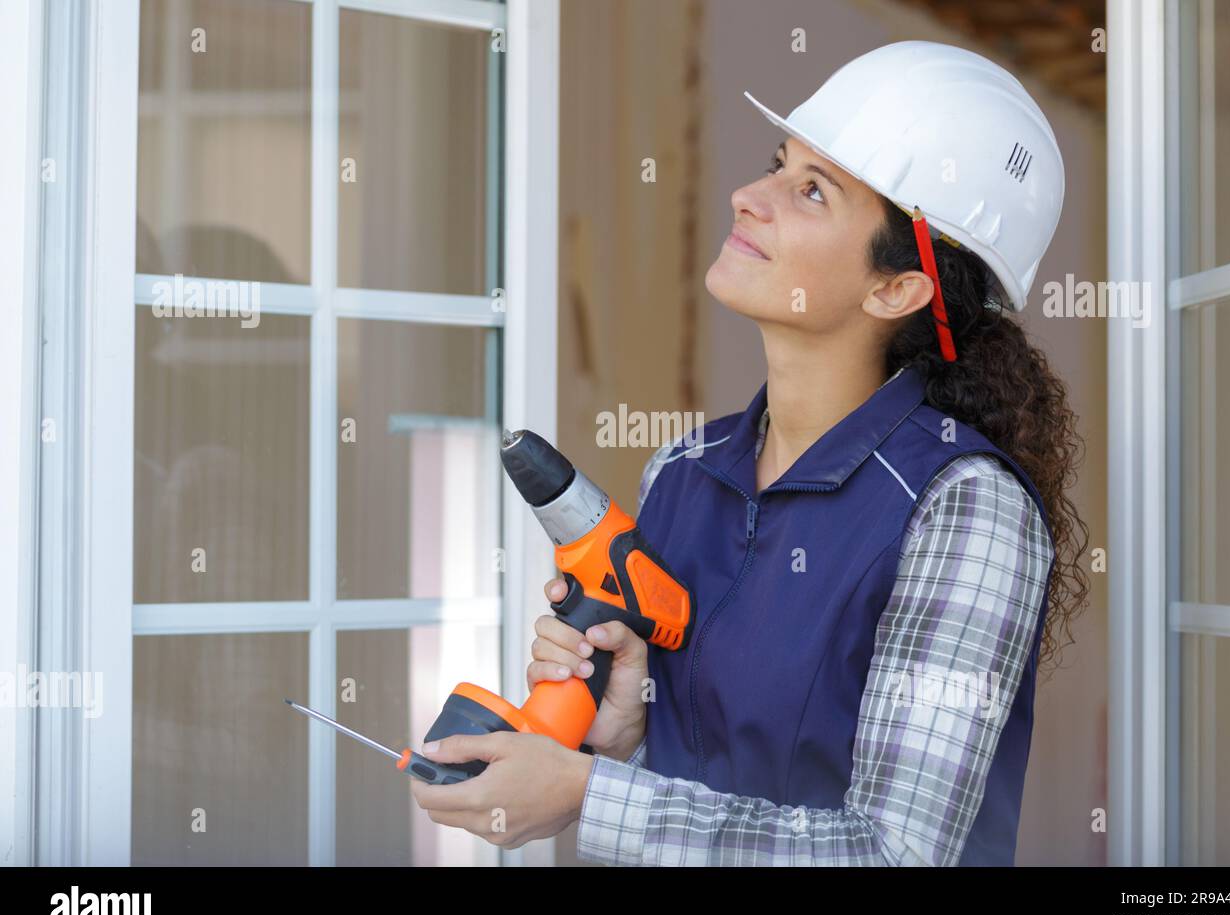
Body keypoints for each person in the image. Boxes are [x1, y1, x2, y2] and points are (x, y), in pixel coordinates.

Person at [411, 40, 1091, 865]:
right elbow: (701, 786)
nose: (746, 196)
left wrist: (588, 795)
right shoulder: (685, 470)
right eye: (778, 164)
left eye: (811, 191)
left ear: (897, 287)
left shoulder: (965, 505)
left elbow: (896, 854)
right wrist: (625, 732)